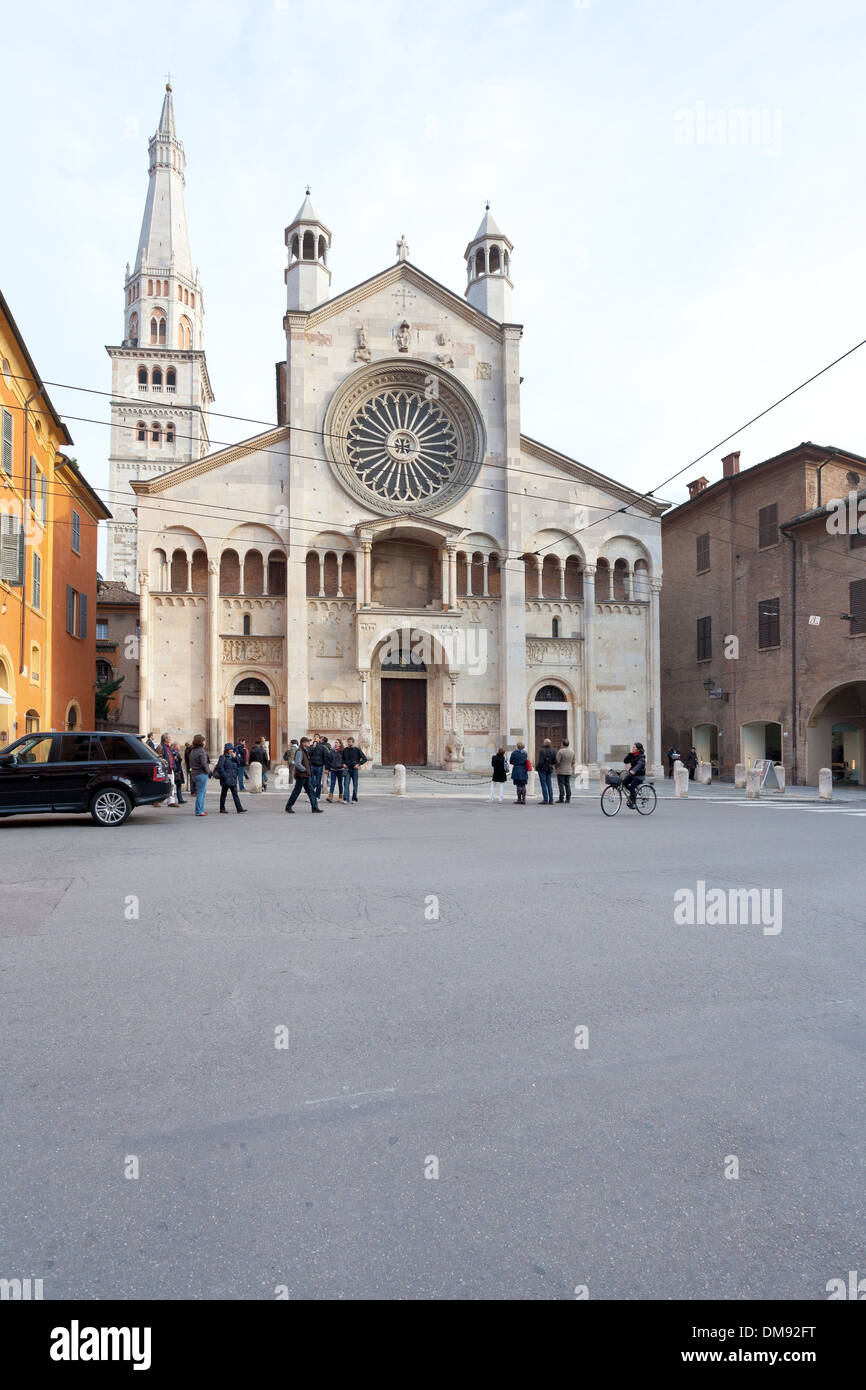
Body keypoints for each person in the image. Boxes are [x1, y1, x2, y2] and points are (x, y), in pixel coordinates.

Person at [286, 737, 324, 813]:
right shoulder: (300, 751)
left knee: (311, 791)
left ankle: (315, 807)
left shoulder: (305, 750)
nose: (309, 743)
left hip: (305, 775)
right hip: (301, 775)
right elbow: (297, 763)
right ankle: (288, 807)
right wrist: (305, 770)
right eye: (307, 742)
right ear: (303, 743)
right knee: (297, 791)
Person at [215, 743, 246, 814]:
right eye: (230, 749)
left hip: (232, 778)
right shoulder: (223, 757)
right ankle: (222, 808)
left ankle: (239, 809)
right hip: (225, 779)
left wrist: (235, 758)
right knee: (224, 794)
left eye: (232, 749)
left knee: (235, 794)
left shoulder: (233, 757)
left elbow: (239, 764)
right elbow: (220, 767)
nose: (231, 750)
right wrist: (225, 776)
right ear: (226, 750)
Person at [189, 734, 211, 816]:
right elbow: (204, 764)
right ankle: (199, 811)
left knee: (201, 792)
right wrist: (209, 771)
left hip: (194, 774)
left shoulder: (193, 751)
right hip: (201, 774)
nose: (205, 742)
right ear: (201, 742)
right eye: (204, 740)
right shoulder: (201, 751)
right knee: (201, 793)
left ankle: (201, 809)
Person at [622, 741, 646, 810]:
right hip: (632, 774)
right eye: (633, 747)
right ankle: (633, 794)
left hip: (639, 776)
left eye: (634, 747)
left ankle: (634, 803)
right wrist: (630, 754)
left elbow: (639, 764)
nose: (632, 748)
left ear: (638, 749)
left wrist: (634, 770)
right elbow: (625, 761)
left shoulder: (642, 757)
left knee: (632, 786)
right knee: (624, 782)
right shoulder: (633, 755)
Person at [343, 737, 368, 802]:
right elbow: (342, 759)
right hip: (347, 770)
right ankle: (346, 799)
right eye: (348, 742)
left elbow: (365, 758)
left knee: (355, 785)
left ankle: (354, 799)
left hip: (354, 770)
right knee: (346, 784)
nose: (349, 743)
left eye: (350, 742)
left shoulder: (357, 749)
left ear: (353, 742)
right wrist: (343, 764)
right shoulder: (345, 750)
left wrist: (359, 764)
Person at [157, 732, 178, 806]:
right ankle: (156, 801)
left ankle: (171, 801)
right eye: (169, 738)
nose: (170, 739)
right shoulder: (161, 747)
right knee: (161, 785)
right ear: (165, 739)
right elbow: (159, 759)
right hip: (165, 769)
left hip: (170, 769)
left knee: (172, 785)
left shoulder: (168, 747)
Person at [536, 738, 556, 805]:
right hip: (549, 769)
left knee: (543, 784)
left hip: (542, 769)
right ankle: (551, 800)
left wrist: (538, 767)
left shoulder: (542, 750)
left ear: (544, 743)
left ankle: (545, 799)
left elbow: (541, 762)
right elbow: (555, 761)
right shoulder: (553, 750)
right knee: (549, 784)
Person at [555, 738, 575, 803]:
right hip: (568, 770)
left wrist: (556, 767)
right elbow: (573, 761)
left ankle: (561, 798)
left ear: (562, 744)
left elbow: (557, 761)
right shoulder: (572, 751)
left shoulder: (560, 751)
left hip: (561, 770)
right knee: (567, 784)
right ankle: (568, 798)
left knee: (561, 785)